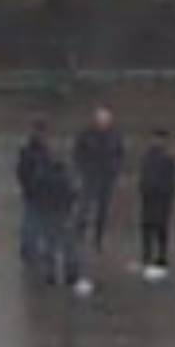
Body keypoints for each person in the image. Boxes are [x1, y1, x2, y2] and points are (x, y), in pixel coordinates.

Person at [73, 105, 124, 251]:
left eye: (106, 121)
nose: (104, 124)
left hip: (108, 178)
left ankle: (98, 240)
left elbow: (120, 154)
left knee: (103, 210)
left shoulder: (115, 135)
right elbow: (77, 153)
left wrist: (116, 170)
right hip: (90, 176)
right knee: (84, 208)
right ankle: (78, 236)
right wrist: (82, 169)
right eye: (101, 120)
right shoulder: (86, 134)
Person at [34, 151, 88, 290]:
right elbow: (74, 195)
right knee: (68, 246)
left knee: (49, 246)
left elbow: (36, 196)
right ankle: (71, 275)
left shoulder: (42, 178)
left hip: (46, 215)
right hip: (64, 215)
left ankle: (51, 276)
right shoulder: (66, 179)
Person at [138, 129, 175, 278]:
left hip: (162, 198)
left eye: (159, 139)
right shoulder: (147, 157)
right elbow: (144, 175)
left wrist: (168, 194)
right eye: (155, 139)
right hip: (149, 197)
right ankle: (147, 255)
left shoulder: (168, 158)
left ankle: (161, 255)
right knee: (147, 226)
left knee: (161, 227)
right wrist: (144, 189)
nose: (156, 142)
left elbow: (172, 179)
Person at [15, 121, 50, 269]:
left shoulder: (40, 150)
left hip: (38, 190)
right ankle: (29, 249)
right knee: (31, 220)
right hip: (33, 190)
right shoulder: (31, 150)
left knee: (34, 220)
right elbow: (23, 171)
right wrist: (29, 186)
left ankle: (31, 248)